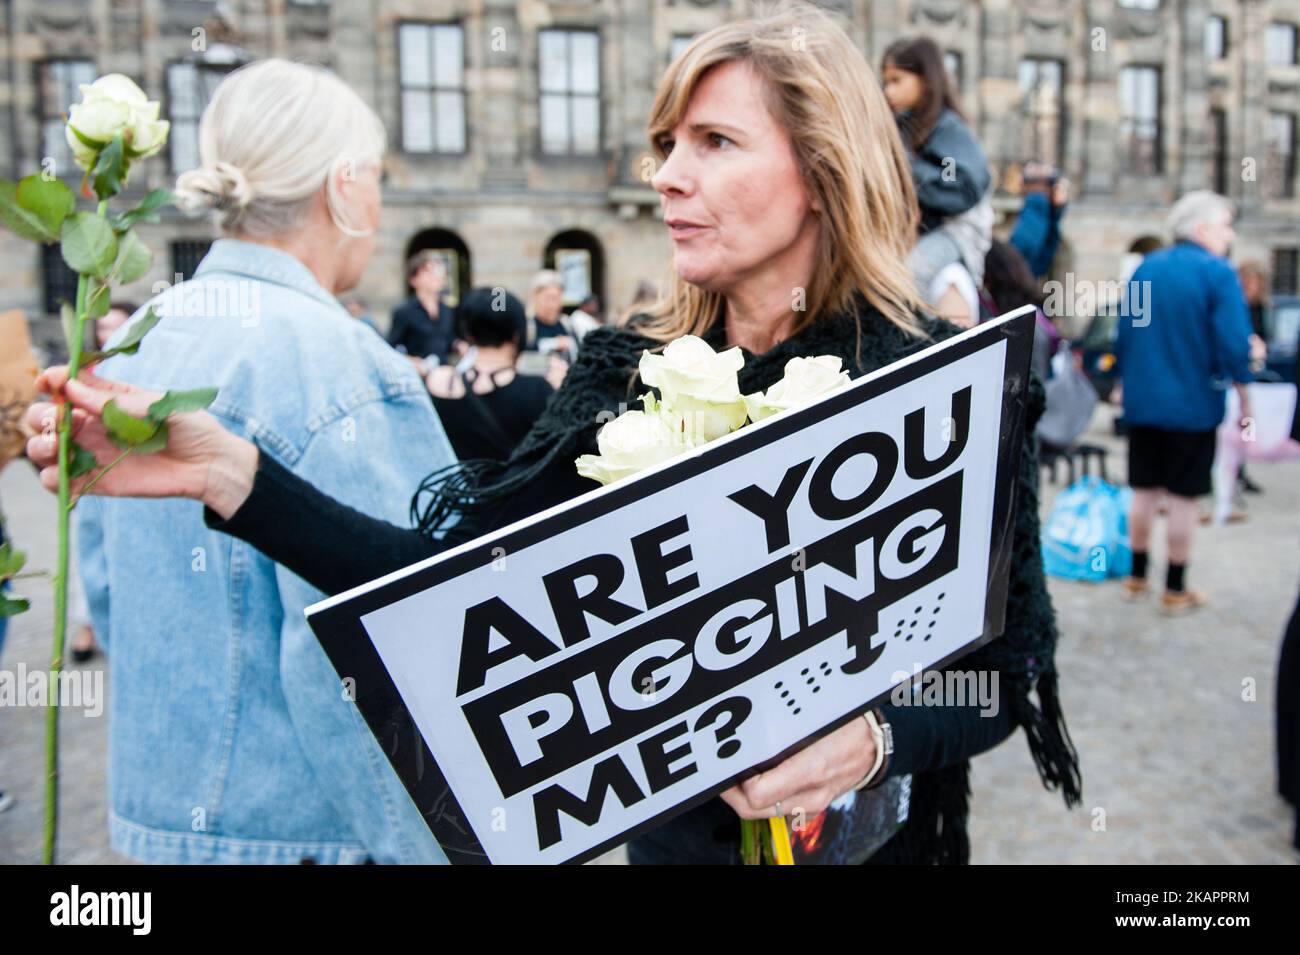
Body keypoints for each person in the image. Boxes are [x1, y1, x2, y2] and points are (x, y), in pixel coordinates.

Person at [28, 5, 1079, 865]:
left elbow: (1004, 676)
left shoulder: (937, 381)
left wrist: (869, 741)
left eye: (714, 143)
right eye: (668, 143)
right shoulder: (622, 371)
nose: (667, 173)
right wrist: (233, 475)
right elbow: (443, 589)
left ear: (822, 170)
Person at [54, 59, 457, 864]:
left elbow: (103, 581)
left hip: (168, 822)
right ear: (343, 187)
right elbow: (383, 653)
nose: (377, 205)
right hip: (311, 836)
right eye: (373, 178)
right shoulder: (340, 361)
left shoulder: (139, 338)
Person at [1115, 191, 1254, 614]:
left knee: (1143, 490)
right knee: (1182, 498)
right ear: (1201, 228)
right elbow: (1234, 343)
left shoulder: (1145, 269)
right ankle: (1174, 587)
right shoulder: (1218, 273)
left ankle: (1136, 578)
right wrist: (1245, 390)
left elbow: (1125, 334)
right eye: (1225, 226)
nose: (1229, 235)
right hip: (1192, 404)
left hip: (1143, 399)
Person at [881, 37, 994, 294]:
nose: (888, 91)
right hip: (923, 230)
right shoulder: (906, 127)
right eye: (886, 82)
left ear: (925, 79)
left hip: (958, 231)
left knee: (911, 273)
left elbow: (963, 190)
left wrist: (906, 168)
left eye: (897, 80)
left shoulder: (949, 128)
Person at [424, 287, 557, 460]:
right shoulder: (538, 390)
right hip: (515, 486)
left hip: (458, 486)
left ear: (468, 334)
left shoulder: (441, 383)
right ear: (517, 333)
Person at [388, 251, 457, 366]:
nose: (435, 276)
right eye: (428, 271)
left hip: (443, 377)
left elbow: (447, 341)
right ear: (413, 279)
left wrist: (458, 345)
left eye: (438, 271)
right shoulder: (404, 312)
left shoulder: (447, 310)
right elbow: (391, 348)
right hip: (417, 377)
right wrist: (412, 362)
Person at [1010, 162, 1069, 280]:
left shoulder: (1042, 216)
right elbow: (1020, 257)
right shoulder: (1037, 212)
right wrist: (1039, 199)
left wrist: (1051, 210)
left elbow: (1038, 262)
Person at [524, 269, 579, 361]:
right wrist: (554, 344)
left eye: (556, 298)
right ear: (535, 297)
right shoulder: (528, 326)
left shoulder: (567, 324)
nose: (552, 305)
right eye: (548, 298)